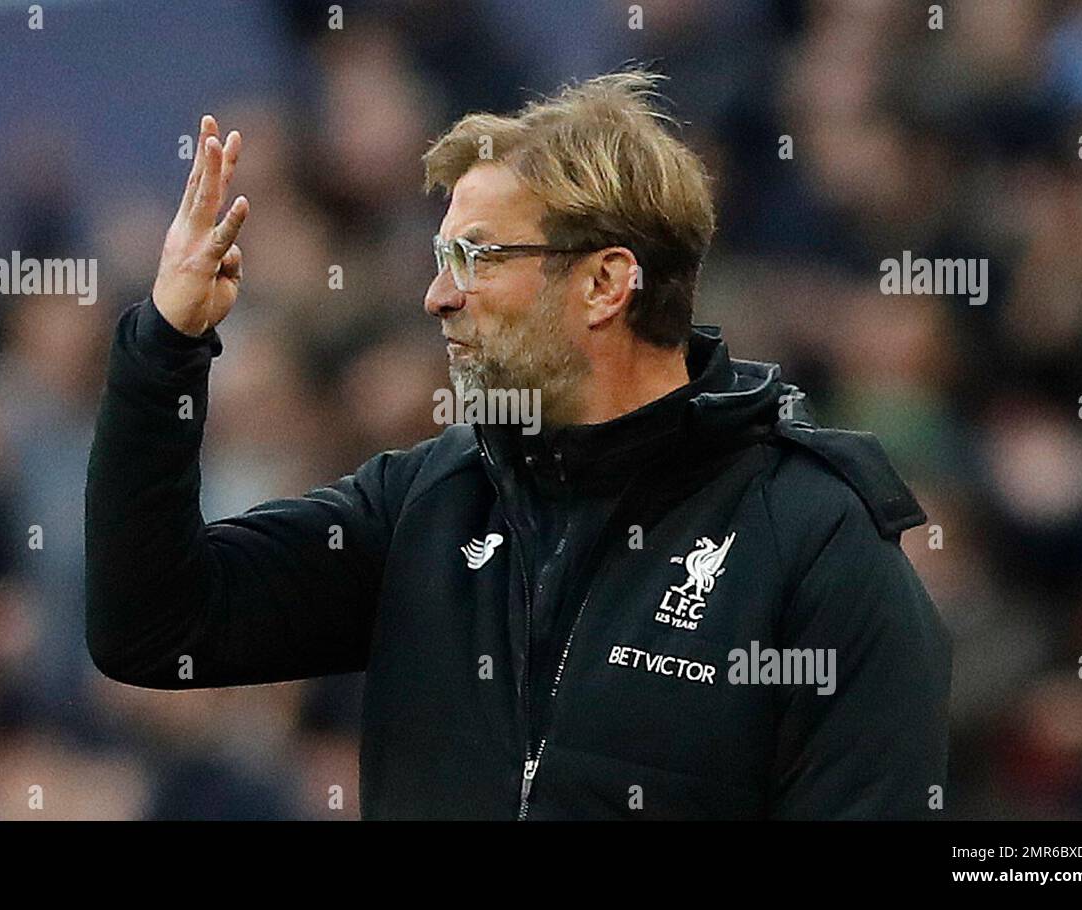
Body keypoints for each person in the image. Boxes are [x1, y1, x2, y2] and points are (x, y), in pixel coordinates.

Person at [85, 71, 951, 820]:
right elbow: (154, 628)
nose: (435, 295)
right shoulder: (426, 503)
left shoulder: (815, 540)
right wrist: (164, 349)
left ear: (606, 282)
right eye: (438, 256)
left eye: (475, 256)